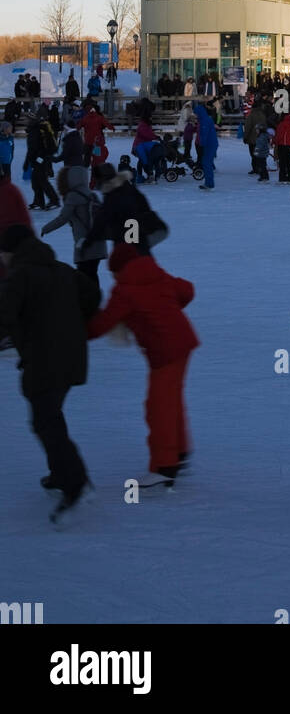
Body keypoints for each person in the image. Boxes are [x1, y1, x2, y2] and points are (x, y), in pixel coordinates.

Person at [0, 222, 100, 522]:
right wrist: (71, 323)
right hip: (71, 357)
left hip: (45, 360)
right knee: (50, 415)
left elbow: (3, 316)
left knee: (46, 421)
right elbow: (92, 296)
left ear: (11, 252)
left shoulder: (19, 277)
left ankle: (75, 483)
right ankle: (60, 474)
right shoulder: (61, 269)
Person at [87, 244, 199, 488]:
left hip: (165, 352)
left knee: (158, 408)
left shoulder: (125, 290)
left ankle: (164, 466)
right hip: (183, 342)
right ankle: (179, 454)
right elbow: (187, 290)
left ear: (118, 270)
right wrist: (166, 309)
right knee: (172, 401)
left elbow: (101, 324)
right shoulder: (157, 274)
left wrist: (76, 331)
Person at [42, 165, 108, 285]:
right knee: (92, 273)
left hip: (84, 243)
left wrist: (46, 228)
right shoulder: (90, 193)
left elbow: (63, 218)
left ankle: (89, 301)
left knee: (84, 276)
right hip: (98, 241)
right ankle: (94, 299)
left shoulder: (73, 196)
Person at [24, 113, 60, 211]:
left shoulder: (37, 131)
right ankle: (39, 201)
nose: (25, 121)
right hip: (37, 160)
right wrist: (27, 162)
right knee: (35, 182)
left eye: (27, 120)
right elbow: (31, 149)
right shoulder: (33, 130)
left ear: (31, 121)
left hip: (41, 161)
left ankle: (54, 200)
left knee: (43, 182)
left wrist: (39, 157)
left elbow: (41, 148)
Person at [193, 102, 218, 190]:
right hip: (210, 143)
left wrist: (201, 144)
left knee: (207, 163)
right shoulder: (204, 119)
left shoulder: (204, 121)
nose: (195, 115)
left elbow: (204, 134)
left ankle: (209, 184)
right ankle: (208, 182)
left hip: (209, 144)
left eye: (195, 113)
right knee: (206, 163)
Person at [274, 110, 290, 183]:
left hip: (282, 144)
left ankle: (283, 178)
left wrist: (275, 142)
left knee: (282, 162)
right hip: (288, 144)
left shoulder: (282, 124)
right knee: (288, 161)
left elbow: (279, 135)